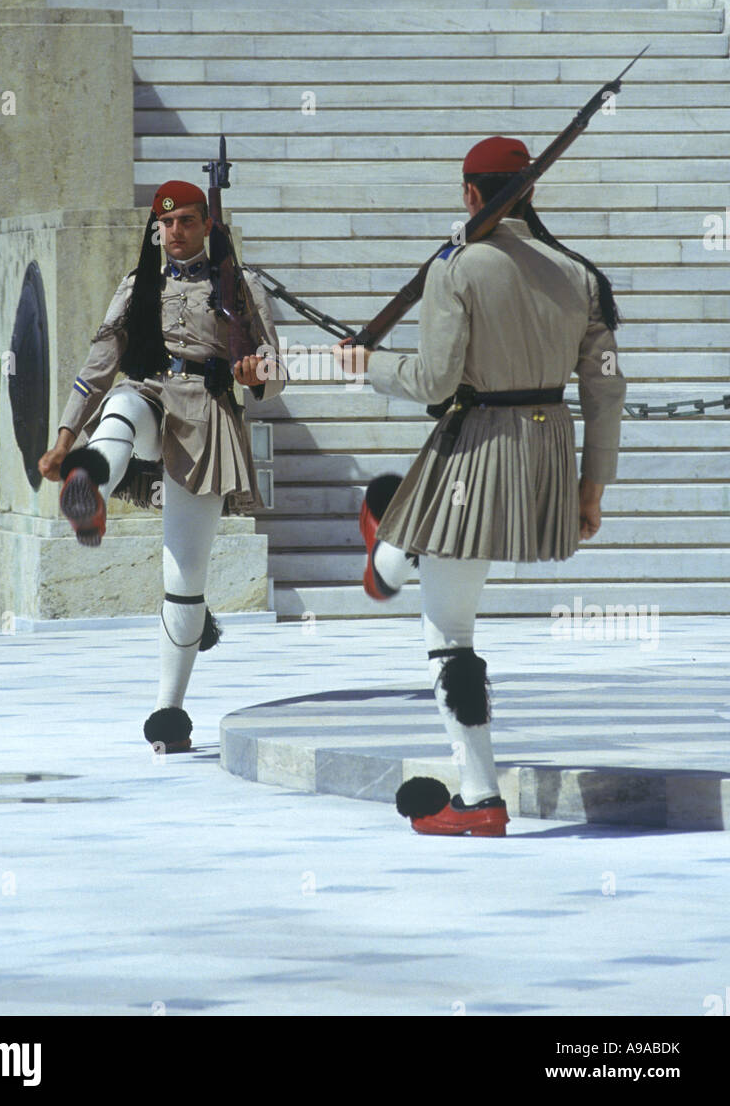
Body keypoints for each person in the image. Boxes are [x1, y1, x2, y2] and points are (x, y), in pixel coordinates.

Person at [335, 136, 626, 837]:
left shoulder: (458, 266)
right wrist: (593, 488)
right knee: (439, 577)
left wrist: (368, 365)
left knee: (450, 633)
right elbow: (608, 391)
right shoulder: (580, 275)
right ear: (529, 191)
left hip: (476, 452)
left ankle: (479, 798)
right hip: (548, 451)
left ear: (472, 194)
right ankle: (392, 549)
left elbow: (435, 383)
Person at [38, 179, 284, 754]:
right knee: (121, 405)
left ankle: (168, 715)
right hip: (151, 394)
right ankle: (87, 478)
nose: (176, 233)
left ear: (207, 225)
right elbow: (99, 366)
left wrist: (256, 374)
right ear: (156, 228)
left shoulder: (242, 288)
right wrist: (62, 438)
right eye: (167, 224)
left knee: (183, 581)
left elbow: (274, 367)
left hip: (205, 421)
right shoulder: (137, 286)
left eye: (188, 222)